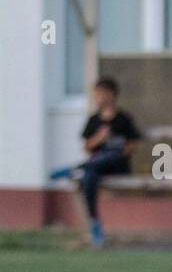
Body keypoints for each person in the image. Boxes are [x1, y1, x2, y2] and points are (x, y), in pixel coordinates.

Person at [53, 77, 141, 248]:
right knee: (90, 175)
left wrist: (120, 149)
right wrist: (99, 138)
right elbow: (87, 147)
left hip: (117, 165)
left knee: (112, 155)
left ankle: (75, 169)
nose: (97, 98)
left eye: (100, 94)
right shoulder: (94, 120)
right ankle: (95, 224)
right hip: (97, 167)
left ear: (110, 95)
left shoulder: (123, 118)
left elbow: (132, 144)